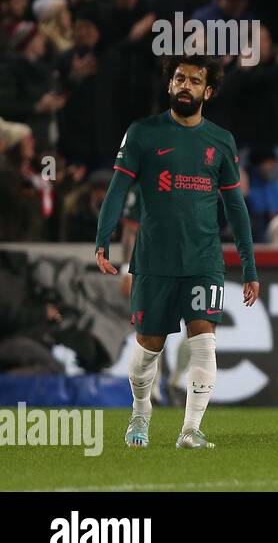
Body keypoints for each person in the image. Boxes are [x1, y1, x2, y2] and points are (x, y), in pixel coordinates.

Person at [94, 55, 259, 450]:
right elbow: (118, 190)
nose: (185, 85)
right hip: (154, 260)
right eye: (179, 78)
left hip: (204, 260)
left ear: (208, 91)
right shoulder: (142, 133)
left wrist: (249, 265)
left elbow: (235, 207)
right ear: (169, 86)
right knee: (149, 347)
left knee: (203, 340)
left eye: (195, 80)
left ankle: (190, 429)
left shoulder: (221, 141)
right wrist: (103, 237)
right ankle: (139, 413)